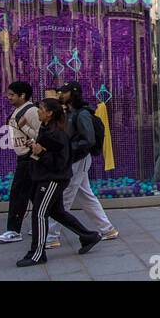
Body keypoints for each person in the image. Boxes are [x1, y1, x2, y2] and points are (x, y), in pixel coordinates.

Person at [17, 98, 101, 267]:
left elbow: (60, 162)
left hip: (52, 179)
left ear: (49, 113)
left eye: (40, 109)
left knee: (39, 213)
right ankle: (88, 236)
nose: (38, 112)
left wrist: (40, 153)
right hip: (45, 176)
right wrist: (36, 148)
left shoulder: (57, 133)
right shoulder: (46, 128)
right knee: (57, 212)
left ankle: (37, 252)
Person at [45, 82, 118, 248]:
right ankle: (107, 229)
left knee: (64, 196)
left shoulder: (81, 114)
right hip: (75, 159)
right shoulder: (71, 112)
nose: (60, 94)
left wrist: (69, 148)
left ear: (73, 93)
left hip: (77, 160)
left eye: (64, 92)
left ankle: (51, 236)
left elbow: (89, 139)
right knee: (85, 195)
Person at [0, 80, 40, 243]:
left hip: (29, 159)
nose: (9, 97)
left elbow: (42, 133)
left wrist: (26, 132)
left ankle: (13, 230)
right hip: (24, 157)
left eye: (12, 95)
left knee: (18, 193)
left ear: (23, 95)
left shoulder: (31, 111)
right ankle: (44, 224)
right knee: (34, 196)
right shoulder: (18, 111)